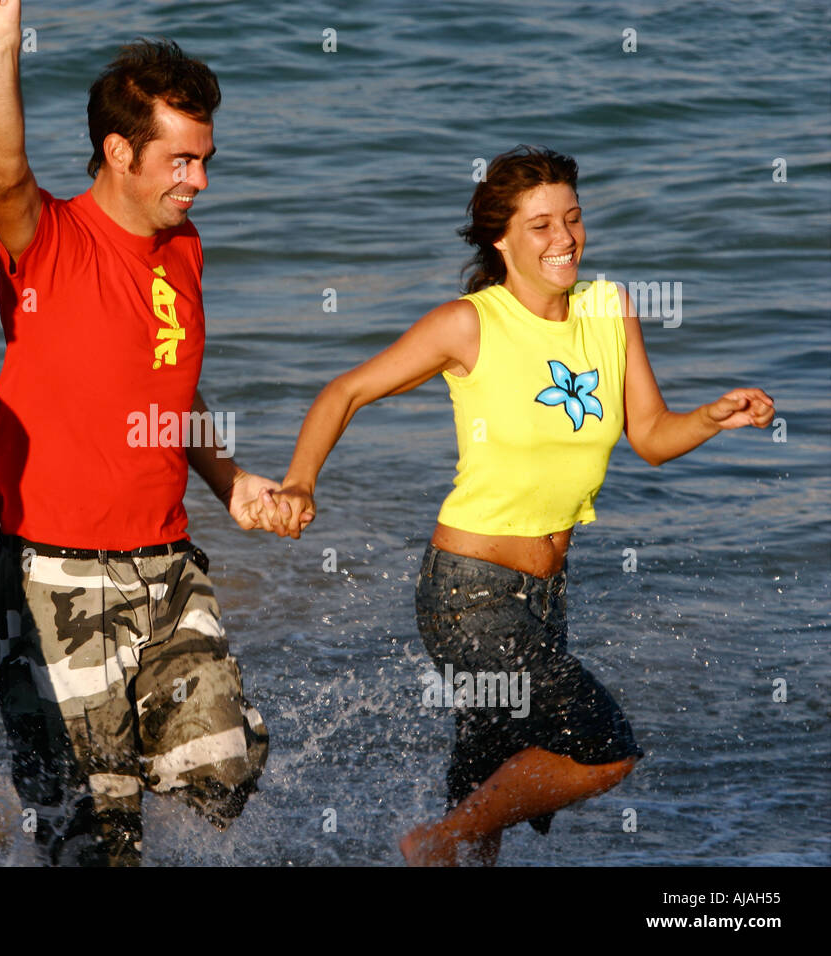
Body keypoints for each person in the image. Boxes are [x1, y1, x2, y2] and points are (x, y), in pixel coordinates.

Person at [266, 145, 775, 866]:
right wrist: (300, 484)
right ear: (499, 239)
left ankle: (450, 845)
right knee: (604, 752)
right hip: (468, 595)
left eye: (572, 218)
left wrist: (713, 416)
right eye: (539, 226)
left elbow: (653, 438)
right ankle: (429, 844)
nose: (563, 238)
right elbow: (344, 391)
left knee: (488, 784)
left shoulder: (608, 309)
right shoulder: (470, 324)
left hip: (544, 595)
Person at [0, 0, 273, 866]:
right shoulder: (49, 239)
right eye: (181, 160)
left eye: (206, 161)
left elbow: (171, 383)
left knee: (221, 766)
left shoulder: (184, 248)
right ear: (119, 152)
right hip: (53, 579)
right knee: (95, 842)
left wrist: (230, 479)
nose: (199, 180)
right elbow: (2, 171)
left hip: (165, 562)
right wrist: (1, 47)